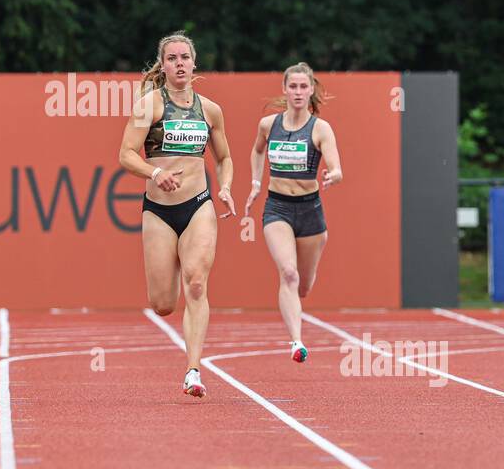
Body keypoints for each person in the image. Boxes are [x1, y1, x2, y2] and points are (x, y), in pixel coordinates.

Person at [119, 32, 235, 398]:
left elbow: (225, 158)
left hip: (198, 204)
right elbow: (126, 154)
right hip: (158, 211)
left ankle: (193, 370)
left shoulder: (210, 110)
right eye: (172, 58)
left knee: (197, 282)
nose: (179, 63)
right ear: (163, 65)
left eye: (185, 57)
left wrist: (226, 187)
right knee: (164, 303)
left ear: (194, 62)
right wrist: (155, 173)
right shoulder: (149, 106)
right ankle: (188, 358)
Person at [244, 63, 341, 363]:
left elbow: (336, 165)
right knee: (288, 273)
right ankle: (296, 342)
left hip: (310, 210)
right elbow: (257, 150)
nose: (298, 92)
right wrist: (256, 182)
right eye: (293, 86)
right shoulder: (268, 125)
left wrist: (334, 175)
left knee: (304, 286)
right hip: (278, 207)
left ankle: (299, 299)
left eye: (303, 87)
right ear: (285, 90)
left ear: (311, 90)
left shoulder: (320, 128)